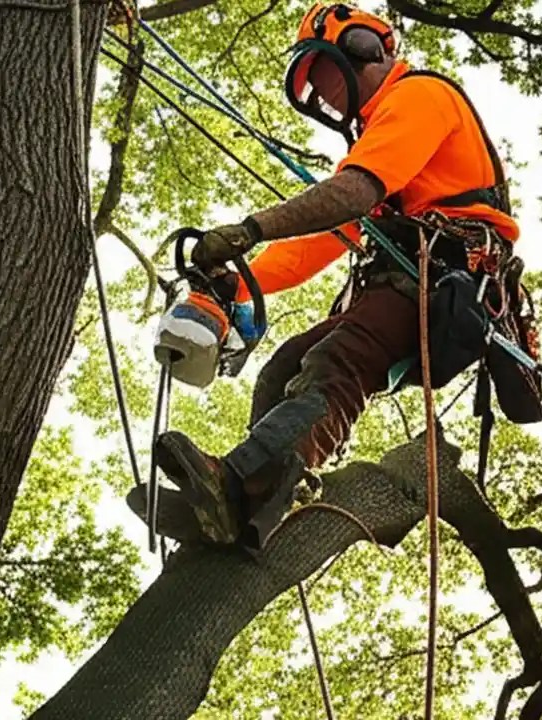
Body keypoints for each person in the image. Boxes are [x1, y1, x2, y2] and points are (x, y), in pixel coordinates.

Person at [154, 2, 523, 549]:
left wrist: (252, 228)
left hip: (439, 277)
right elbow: (320, 243)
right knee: (280, 371)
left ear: (364, 50)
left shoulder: (419, 96)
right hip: (401, 281)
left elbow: (353, 193)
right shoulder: (380, 139)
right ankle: (247, 508)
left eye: (323, 74)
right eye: (313, 84)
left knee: (337, 363)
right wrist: (237, 282)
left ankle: (241, 481)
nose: (324, 94)